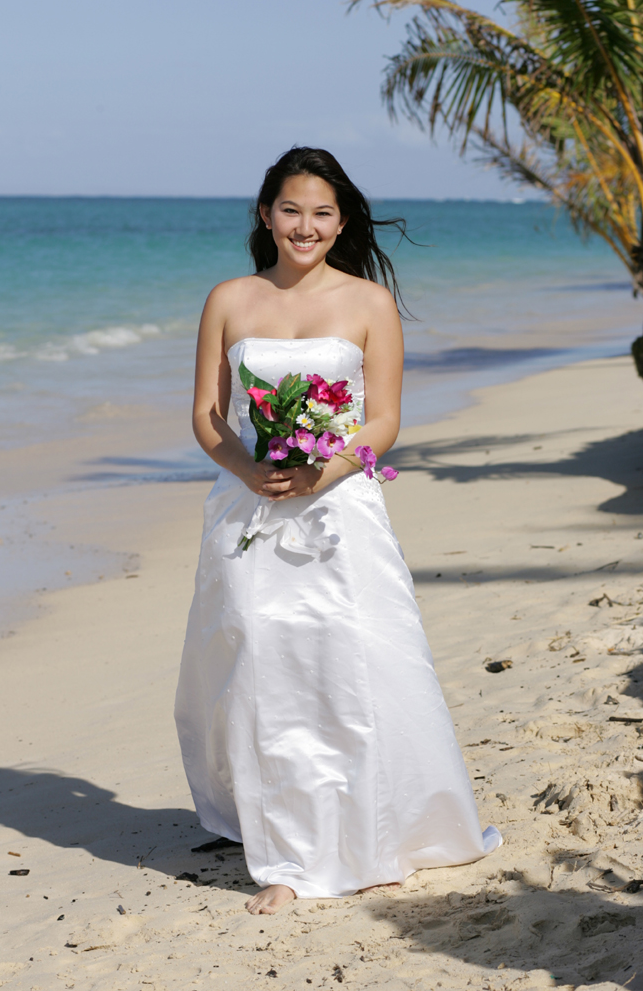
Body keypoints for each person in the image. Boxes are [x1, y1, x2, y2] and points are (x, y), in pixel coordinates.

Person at [174, 146, 501, 916]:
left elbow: (382, 420)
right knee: (264, 667)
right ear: (266, 214)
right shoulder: (229, 298)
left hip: (339, 507)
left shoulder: (369, 303)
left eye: (322, 213)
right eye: (291, 210)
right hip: (250, 507)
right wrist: (248, 469)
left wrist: (325, 472)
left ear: (343, 220)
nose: (305, 226)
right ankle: (285, 857)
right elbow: (207, 415)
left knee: (359, 664)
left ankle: (380, 836)